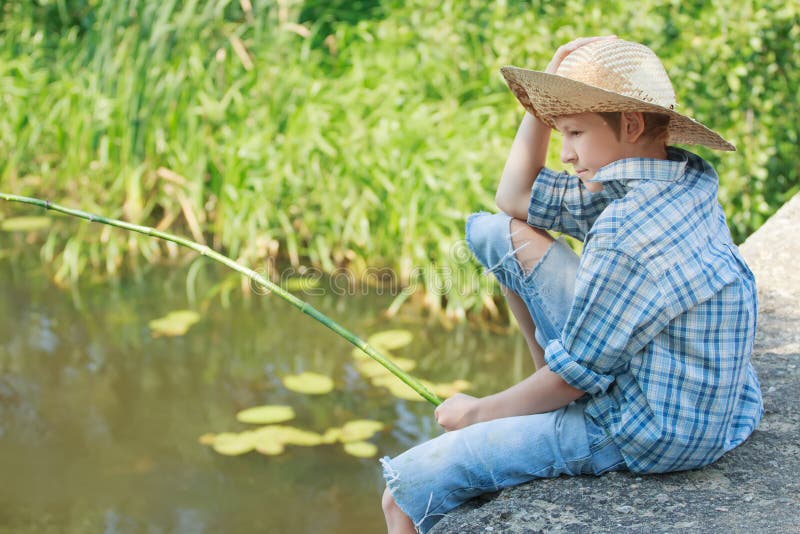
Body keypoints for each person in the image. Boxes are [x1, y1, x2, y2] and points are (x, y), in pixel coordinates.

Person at [380, 36, 764, 533]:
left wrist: (478, 413)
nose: (565, 153)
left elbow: (574, 376)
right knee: (494, 231)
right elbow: (513, 197)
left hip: (645, 429)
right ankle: (537, 395)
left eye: (576, 132)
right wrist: (546, 105)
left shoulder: (627, 230)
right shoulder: (679, 177)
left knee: (404, 493)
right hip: (702, 402)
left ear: (629, 124)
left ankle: (539, 409)